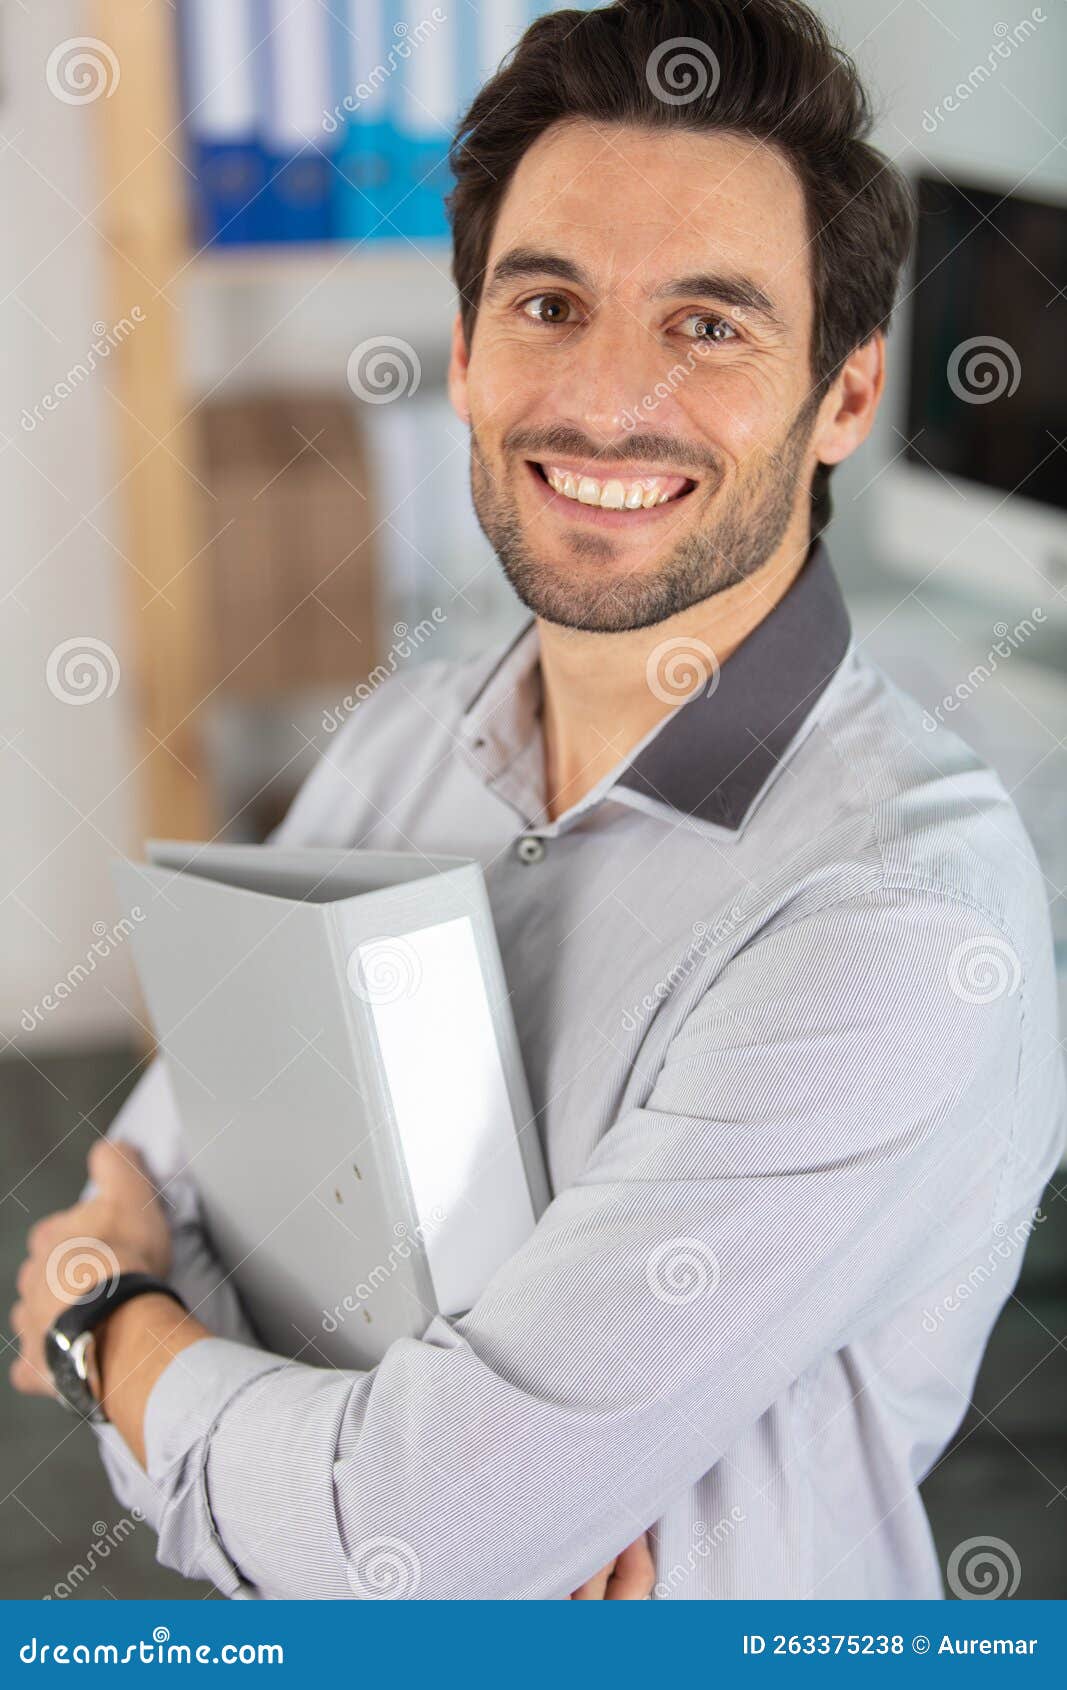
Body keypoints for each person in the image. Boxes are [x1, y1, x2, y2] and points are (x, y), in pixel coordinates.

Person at [11, 0, 1064, 1600]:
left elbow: (408, 1544)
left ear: (848, 396)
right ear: (463, 351)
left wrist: (117, 1341)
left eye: (710, 325)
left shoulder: (896, 920)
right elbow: (149, 1176)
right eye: (549, 301)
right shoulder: (412, 738)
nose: (606, 399)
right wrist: (355, 1454)